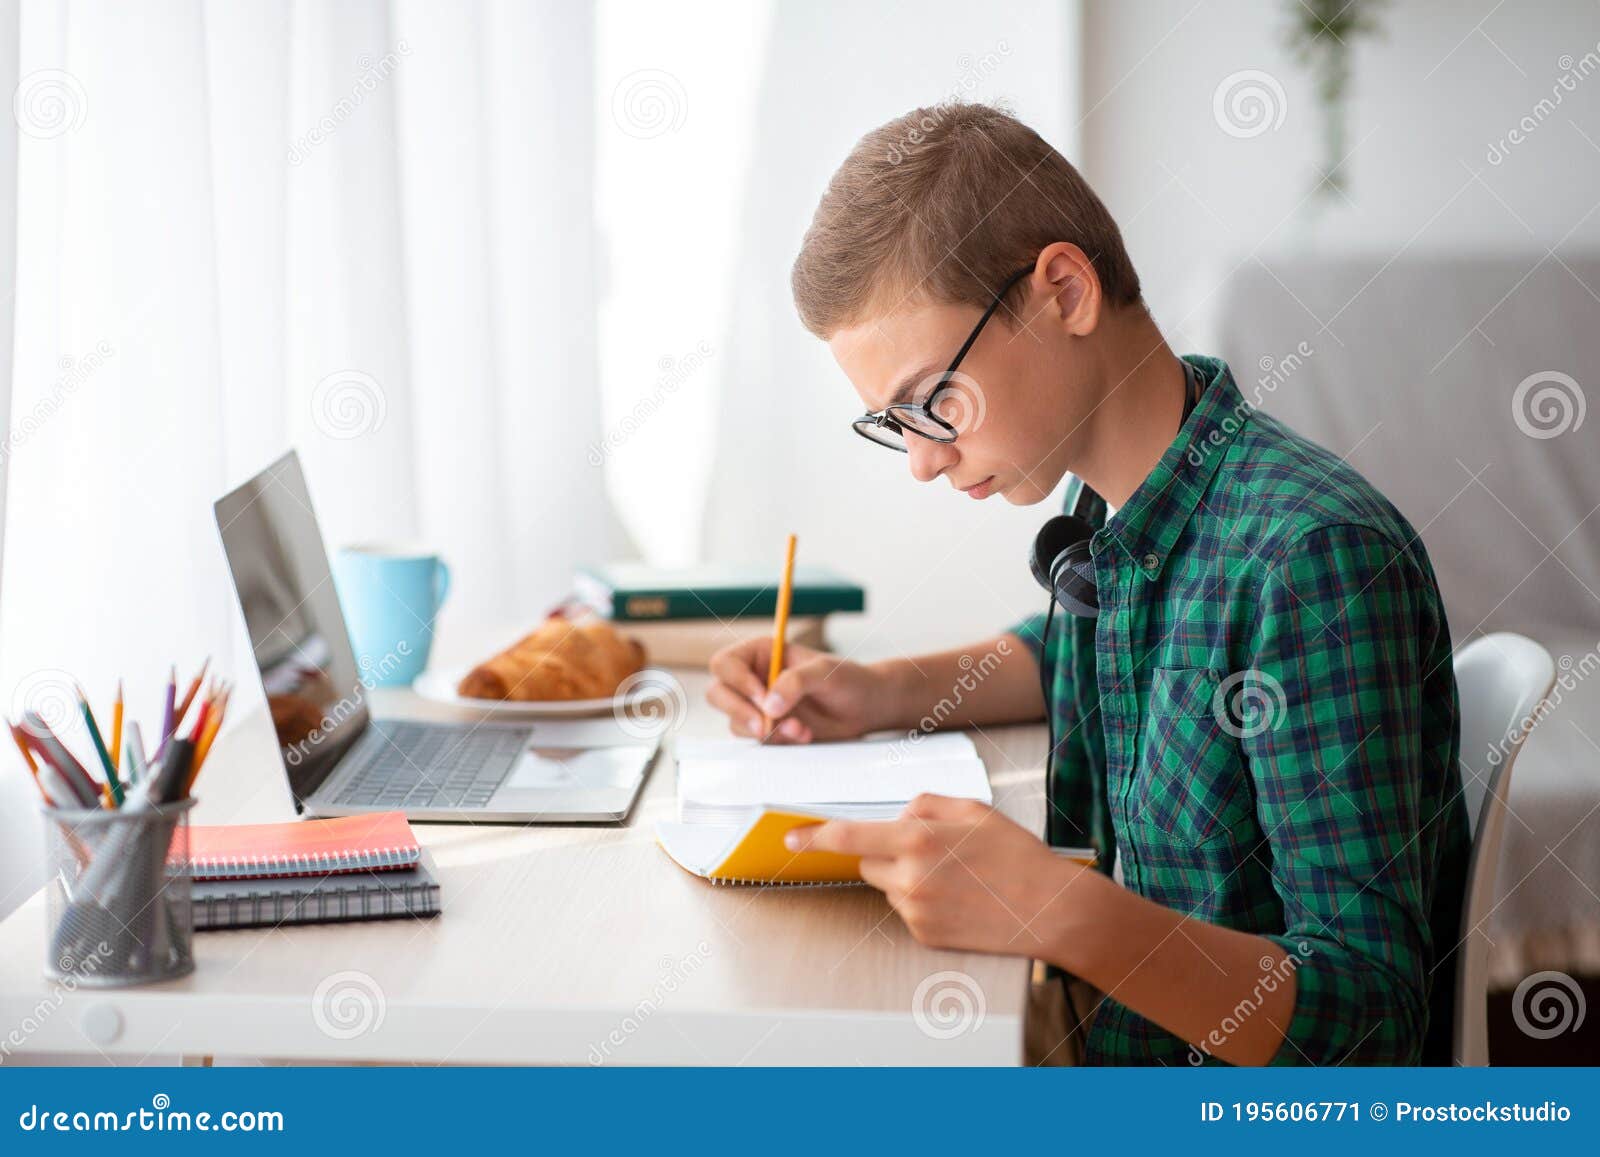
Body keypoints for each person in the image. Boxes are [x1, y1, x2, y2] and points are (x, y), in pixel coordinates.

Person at [705, 103, 1469, 1066]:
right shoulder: (1119, 499)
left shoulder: (1311, 562)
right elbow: (1070, 647)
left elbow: (1368, 1027)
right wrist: (876, 689)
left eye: (932, 402)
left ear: (1064, 291)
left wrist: (1055, 909)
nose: (922, 463)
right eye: (892, 423)